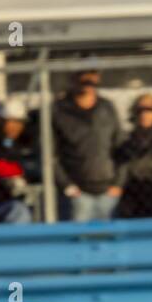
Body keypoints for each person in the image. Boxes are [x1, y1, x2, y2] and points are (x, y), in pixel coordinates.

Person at [53, 69, 124, 221]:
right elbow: (50, 154)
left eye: (92, 74)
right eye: (83, 75)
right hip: (77, 192)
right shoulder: (59, 110)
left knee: (108, 234)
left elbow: (120, 146)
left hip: (108, 190)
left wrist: (118, 183)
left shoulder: (106, 107)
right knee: (78, 233)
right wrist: (67, 186)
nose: (88, 80)